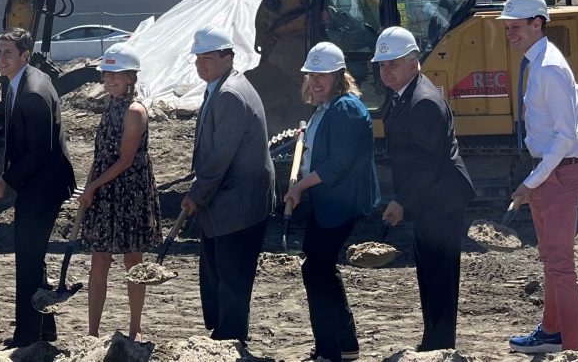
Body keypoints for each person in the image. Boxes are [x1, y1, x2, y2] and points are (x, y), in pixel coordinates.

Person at [375, 26, 475, 351]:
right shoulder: (405, 94)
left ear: (413, 61)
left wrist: (402, 202)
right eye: (382, 64)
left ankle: (441, 348)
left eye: (393, 63)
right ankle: (432, 343)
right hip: (430, 200)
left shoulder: (423, 102)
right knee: (429, 275)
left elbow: (428, 165)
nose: (385, 70)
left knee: (440, 280)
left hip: (441, 201)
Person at [500, 0, 578, 355]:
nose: (510, 33)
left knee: (560, 266)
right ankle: (552, 333)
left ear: (538, 24)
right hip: (549, 172)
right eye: (507, 28)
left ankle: (573, 349)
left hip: (557, 174)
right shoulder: (539, 62)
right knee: (551, 260)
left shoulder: (549, 67)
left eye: (516, 27)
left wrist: (531, 183)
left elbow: (566, 137)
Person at [282, 41, 379, 362]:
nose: (316, 81)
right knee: (320, 268)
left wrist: (298, 188)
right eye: (312, 75)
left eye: (323, 75)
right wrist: (305, 136)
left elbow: (337, 165)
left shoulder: (346, 109)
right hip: (328, 201)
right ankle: (344, 345)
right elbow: (323, 145)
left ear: (339, 76)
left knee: (316, 269)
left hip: (341, 203)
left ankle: (330, 349)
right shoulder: (327, 108)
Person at [184, 25, 274, 347]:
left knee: (232, 278)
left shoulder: (230, 95)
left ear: (227, 57)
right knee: (217, 272)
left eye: (208, 57)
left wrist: (196, 195)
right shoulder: (219, 88)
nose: (201, 63)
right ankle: (221, 332)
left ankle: (231, 340)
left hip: (238, 205)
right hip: (225, 200)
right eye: (198, 57)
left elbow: (220, 157)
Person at [0, 27, 75, 348]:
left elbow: (39, 151)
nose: (1, 59)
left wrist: (6, 181)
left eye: (8, 53)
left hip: (44, 187)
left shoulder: (33, 92)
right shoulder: (20, 81)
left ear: (25, 55)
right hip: (35, 183)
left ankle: (27, 337)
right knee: (32, 257)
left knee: (27, 259)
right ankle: (45, 328)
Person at [79, 42, 161, 340]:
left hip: (129, 192)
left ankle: (135, 328)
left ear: (131, 77)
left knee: (132, 258)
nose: (109, 80)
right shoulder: (111, 105)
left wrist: (92, 186)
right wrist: (94, 186)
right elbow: (102, 152)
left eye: (116, 74)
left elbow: (126, 160)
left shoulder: (135, 111)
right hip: (105, 190)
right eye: (106, 75)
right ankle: (92, 332)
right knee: (99, 258)